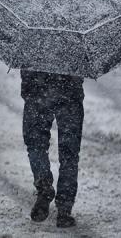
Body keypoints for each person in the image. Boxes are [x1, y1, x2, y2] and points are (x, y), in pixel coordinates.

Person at [21, 70, 83, 228]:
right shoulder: (78, 46)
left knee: (36, 144)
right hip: (69, 93)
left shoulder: (32, 45)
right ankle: (64, 209)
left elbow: (26, 69)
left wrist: (29, 88)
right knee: (69, 153)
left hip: (37, 90)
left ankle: (44, 188)